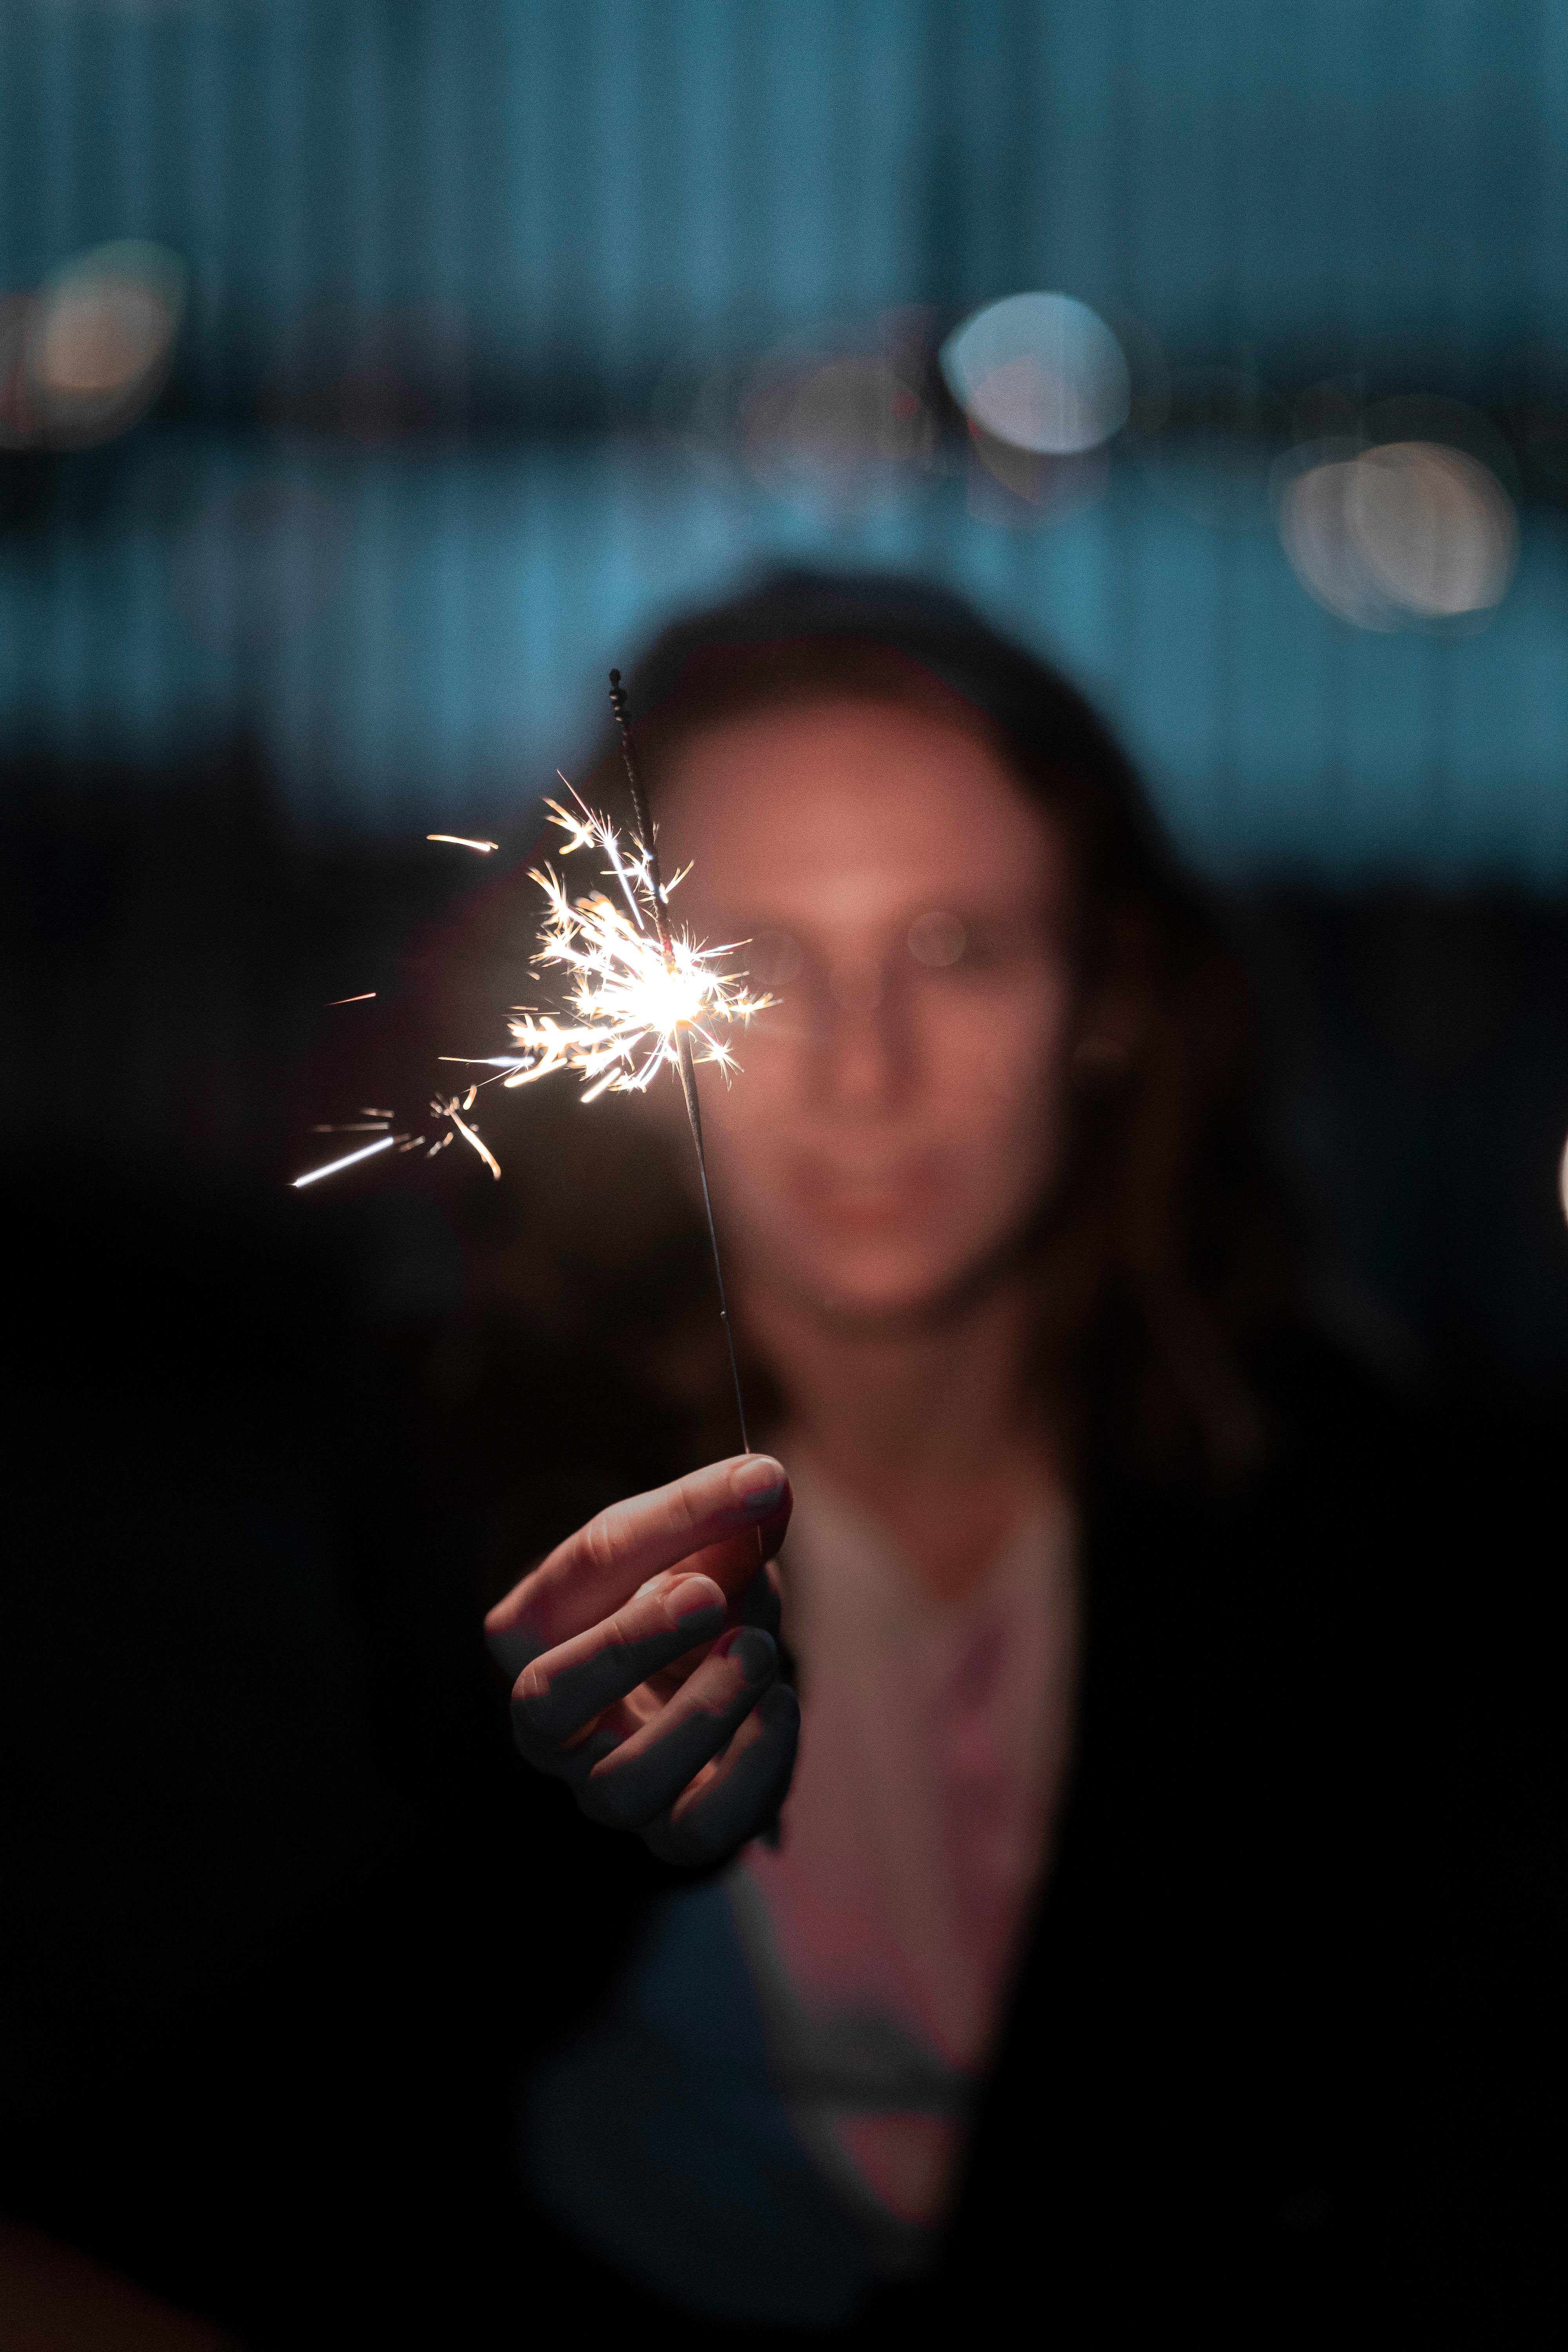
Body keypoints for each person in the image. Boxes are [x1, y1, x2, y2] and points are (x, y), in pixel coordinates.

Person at [457, 570, 1429, 2339]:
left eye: (955, 947)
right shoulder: (485, 1441)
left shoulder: (1328, 1481)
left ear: (1108, 993)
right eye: (757, 963)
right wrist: (561, 1769)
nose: (862, 1072)